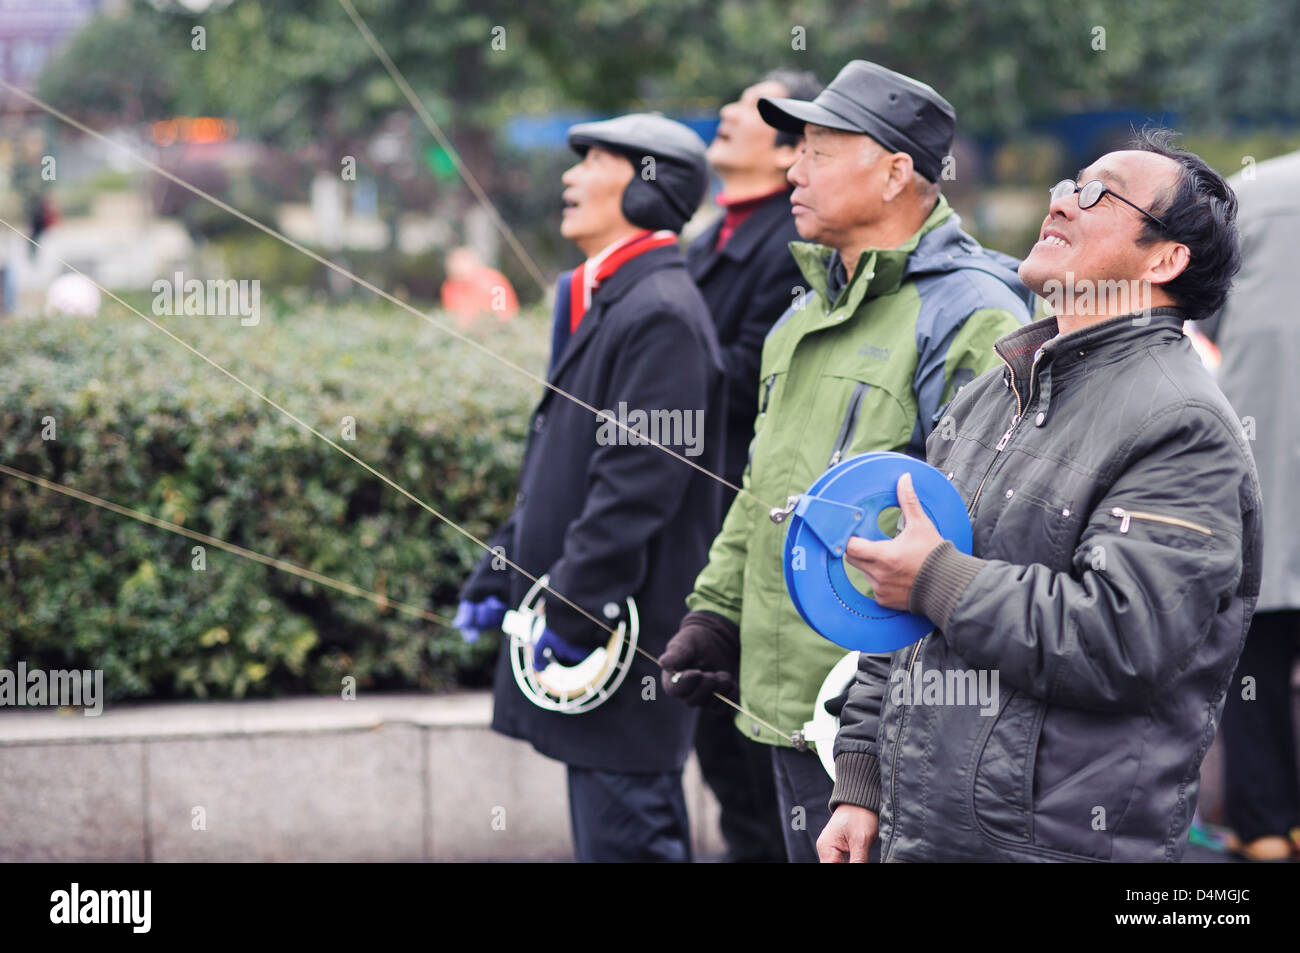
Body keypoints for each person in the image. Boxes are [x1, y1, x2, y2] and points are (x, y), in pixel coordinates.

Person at [820, 128, 1260, 863]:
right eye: (1066, 184)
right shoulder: (994, 392)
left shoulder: (1183, 424)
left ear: (1166, 258)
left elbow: (1123, 641)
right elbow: (903, 606)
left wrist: (936, 577)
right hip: (918, 832)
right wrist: (860, 780)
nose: (1061, 202)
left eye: (1097, 192)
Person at [659, 60, 1033, 863]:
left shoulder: (973, 316)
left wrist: (872, 739)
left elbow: (978, 545)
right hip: (783, 702)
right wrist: (714, 617)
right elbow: (765, 486)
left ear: (898, 171)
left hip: (887, 730)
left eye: (821, 151)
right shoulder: (803, 312)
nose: (794, 168)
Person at [454, 113, 724, 862]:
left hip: (618, 647)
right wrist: (502, 566)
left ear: (645, 187)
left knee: (630, 838)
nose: (569, 178)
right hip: (594, 639)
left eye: (595, 161)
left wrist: (572, 615)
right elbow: (562, 467)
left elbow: (635, 490)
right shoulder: (614, 296)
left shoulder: (661, 311)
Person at [685, 68, 822, 864]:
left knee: (764, 778)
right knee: (724, 762)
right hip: (708, 526)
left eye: (748, 109)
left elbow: (747, 376)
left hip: (752, 514)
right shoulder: (714, 235)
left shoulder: (789, 243)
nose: (728, 114)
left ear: (787, 151)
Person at [1204, 150, 1300, 862]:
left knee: (1253, 650)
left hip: (1259, 454)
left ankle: (1265, 826)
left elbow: (1204, 309)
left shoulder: (1252, 191)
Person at [440, 246, 518, 327]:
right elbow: (452, 314)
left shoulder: (494, 281)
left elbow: (506, 313)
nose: (455, 269)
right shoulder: (449, 286)